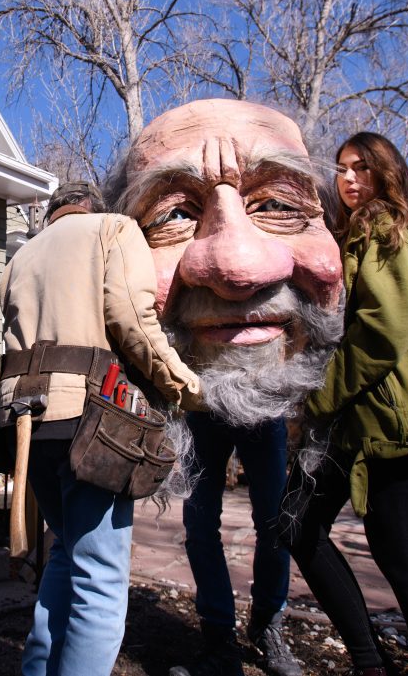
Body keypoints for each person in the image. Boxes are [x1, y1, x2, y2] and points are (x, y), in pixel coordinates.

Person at [104, 100, 346, 676]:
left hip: (267, 422)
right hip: (196, 403)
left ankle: (270, 626)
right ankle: (217, 633)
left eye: (280, 205)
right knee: (200, 523)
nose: (238, 266)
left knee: (275, 520)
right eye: (173, 214)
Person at [283, 132, 408, 676]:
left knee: (405, 563)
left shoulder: (385, 228)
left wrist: (320, 396)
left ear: (387, 174)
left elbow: (387, 327)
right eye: (342, 168)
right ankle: (369, 662)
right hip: (354, 423)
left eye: (362, 168)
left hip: (391, 422)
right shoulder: (356, 236)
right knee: (297, 524)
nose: (348, 179)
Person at [0, 181, 206, 676]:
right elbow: (132, 317)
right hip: (89, 423)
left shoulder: (19, 258)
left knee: (66, 558)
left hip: (25, 425)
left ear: (52, 215)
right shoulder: (113, 228)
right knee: (100, 581)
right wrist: (185, 385)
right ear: (92, 207)